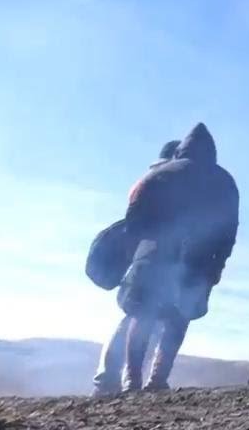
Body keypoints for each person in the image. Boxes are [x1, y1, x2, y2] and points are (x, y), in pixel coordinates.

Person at [117, 123, 239, 392]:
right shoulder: (225, 182)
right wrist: (218, 264)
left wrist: (137, 241)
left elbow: (135, 209)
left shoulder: (163, 173)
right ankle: (157, 379)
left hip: (153, 254)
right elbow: (229, 231)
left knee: (143, 313)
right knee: (177, 318)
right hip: (198, 261)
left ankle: (131, 379)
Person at [91, 139, 181, 396]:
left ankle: (108, 380)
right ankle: (108, 380)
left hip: (145, 260)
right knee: (137, 318)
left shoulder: (152, 181)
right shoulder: (160, 184)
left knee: (138, 318)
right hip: (149, 261)